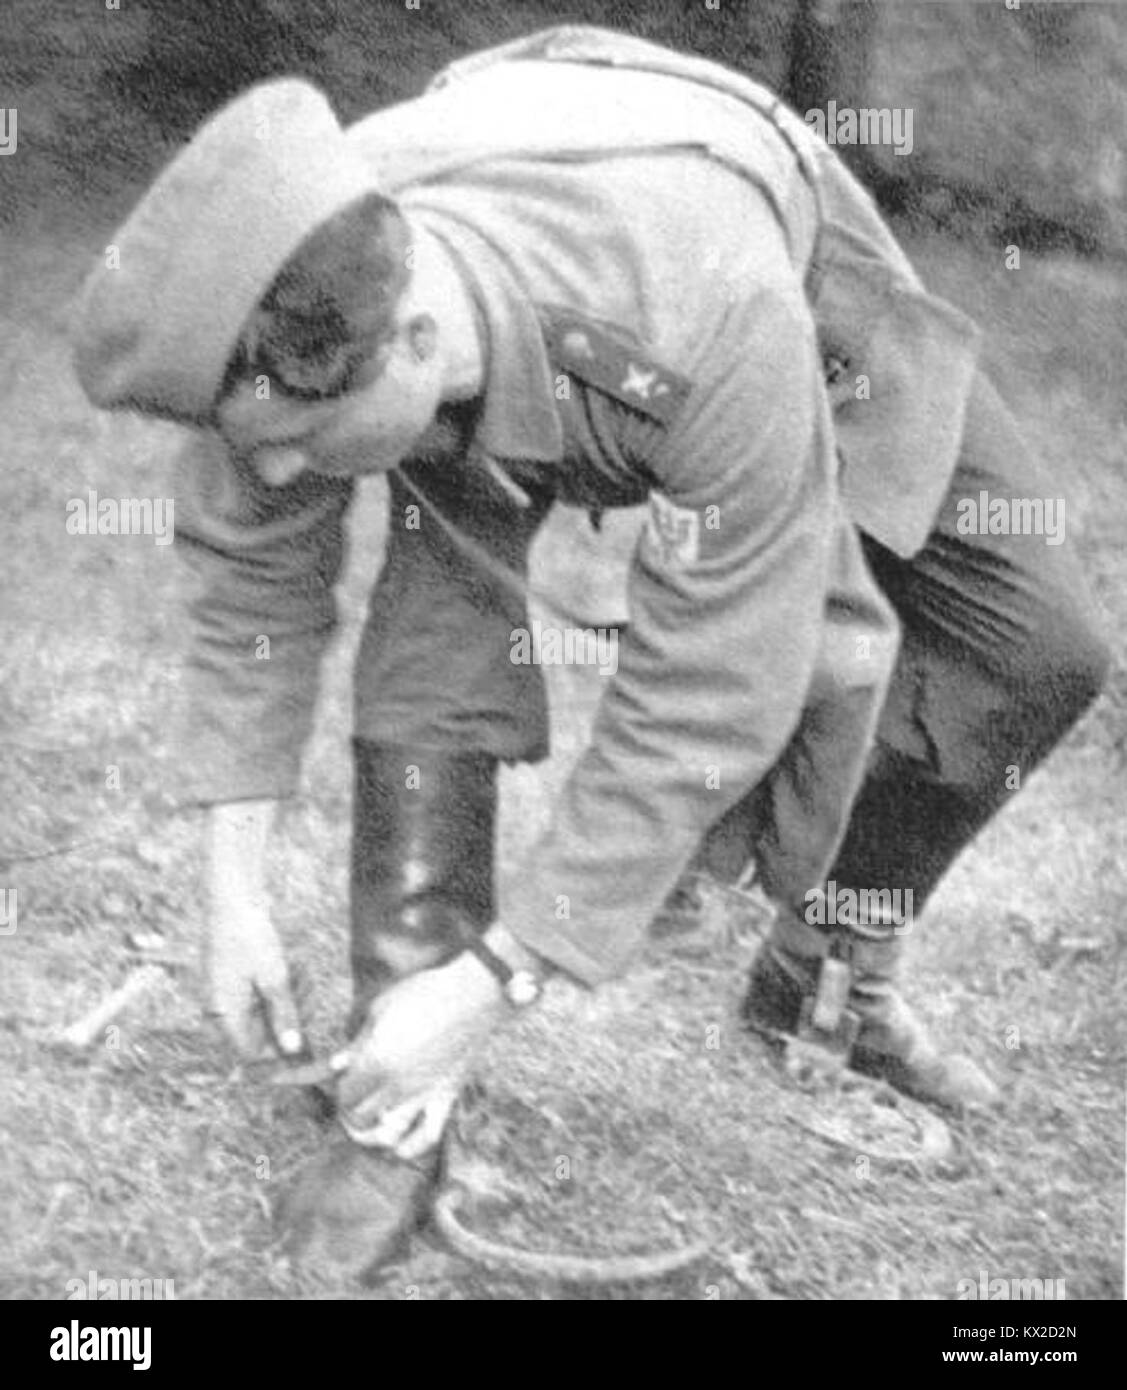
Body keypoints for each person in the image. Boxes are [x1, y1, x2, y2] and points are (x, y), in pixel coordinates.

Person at [71, 26, 1109, 1270]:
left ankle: (823, 974)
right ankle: (399, 1115)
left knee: (1036, 644)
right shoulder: (290, 280)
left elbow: (711, 679)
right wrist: (230, 892)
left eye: (299, 447)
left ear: (410, 341)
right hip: (506, 183)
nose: (277, 477)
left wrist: (507, 972)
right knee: (438, 630)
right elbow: (249, 589)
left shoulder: (708, 304)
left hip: (737, 213)